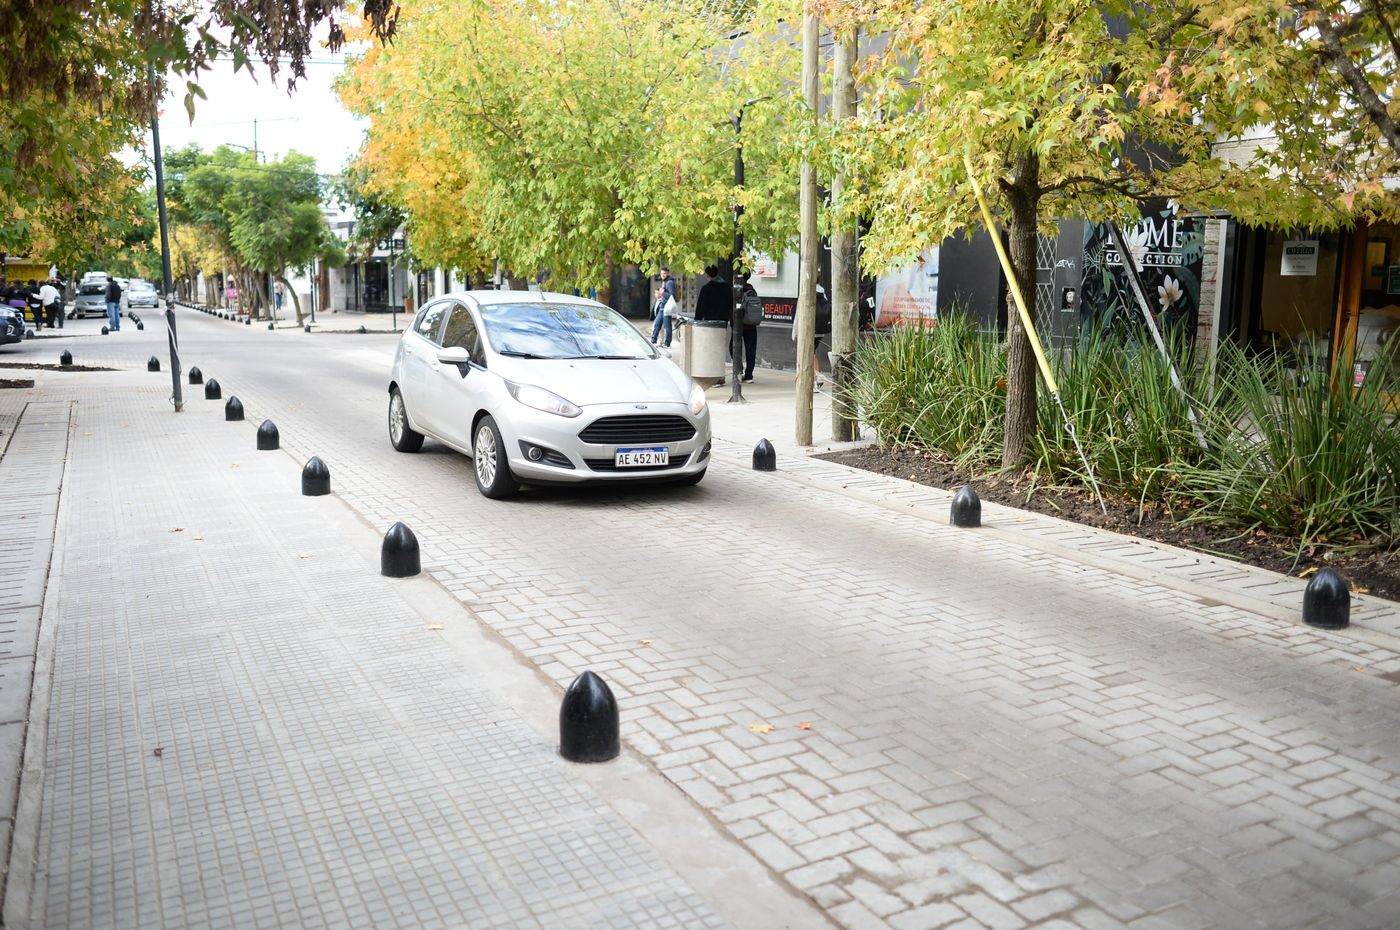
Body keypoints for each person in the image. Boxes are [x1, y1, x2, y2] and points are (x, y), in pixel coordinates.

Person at [739, 273, 763, 382]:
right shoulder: (752, 290)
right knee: (751, 350)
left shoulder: (737, 290)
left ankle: (739, 369)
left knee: (733, 348)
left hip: (739, 325)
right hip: (752, 325)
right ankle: (749, 375)